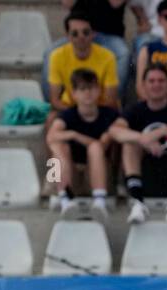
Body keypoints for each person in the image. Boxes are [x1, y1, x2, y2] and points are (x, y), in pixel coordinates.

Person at [111, 65, 167, 224]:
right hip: (145, 175)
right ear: (144, 85)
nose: (156, 85)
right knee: (129, 143)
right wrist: (142, 138)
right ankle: (138, 202)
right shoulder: (135, 109)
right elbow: (115, 130)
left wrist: (160, 132)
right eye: (151, 81)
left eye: (161, 80)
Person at [46, 68, 120, 218]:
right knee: (59, 147)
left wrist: (75, 136)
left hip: (97, 175)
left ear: (99, 90)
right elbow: (51, 137)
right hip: (69, 174)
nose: (87, 93)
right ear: (74, 93)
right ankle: (65, 200)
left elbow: (101, 144)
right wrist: (73, 134)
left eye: (91, 88)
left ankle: (99, 203)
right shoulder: (67, 115)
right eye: (82, 89)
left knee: (94, 148)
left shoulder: (110, 115)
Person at [44, 0, 133, 100]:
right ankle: (53, 105)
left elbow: (115, 3)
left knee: (123, 54)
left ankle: (113, 104)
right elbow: (67, 3)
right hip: (78, 33)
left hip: (109, 34)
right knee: (50, 53)